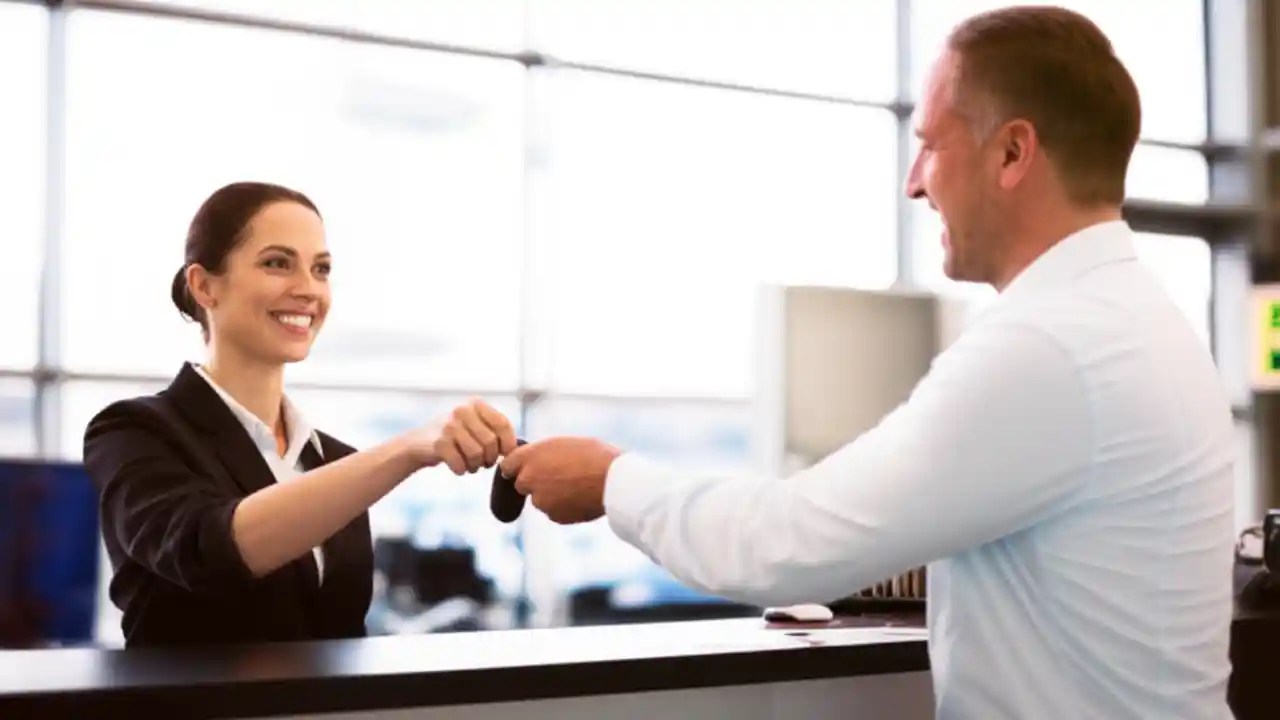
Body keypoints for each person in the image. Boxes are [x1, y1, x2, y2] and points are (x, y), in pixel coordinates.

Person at [500, 7, 1236, 719]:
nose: (914, 181)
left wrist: (610, 481)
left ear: (1013, 153)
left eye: (931, 144)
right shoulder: (1141, 319)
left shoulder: (1047, 345)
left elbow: (781, 546)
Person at [83, 181, 518, 647]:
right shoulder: (134, 431)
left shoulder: (333, 462)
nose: (307, 289)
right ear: (204, 285)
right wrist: (408, 449)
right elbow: (207, 550)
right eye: (277, 263)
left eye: (321, 269)